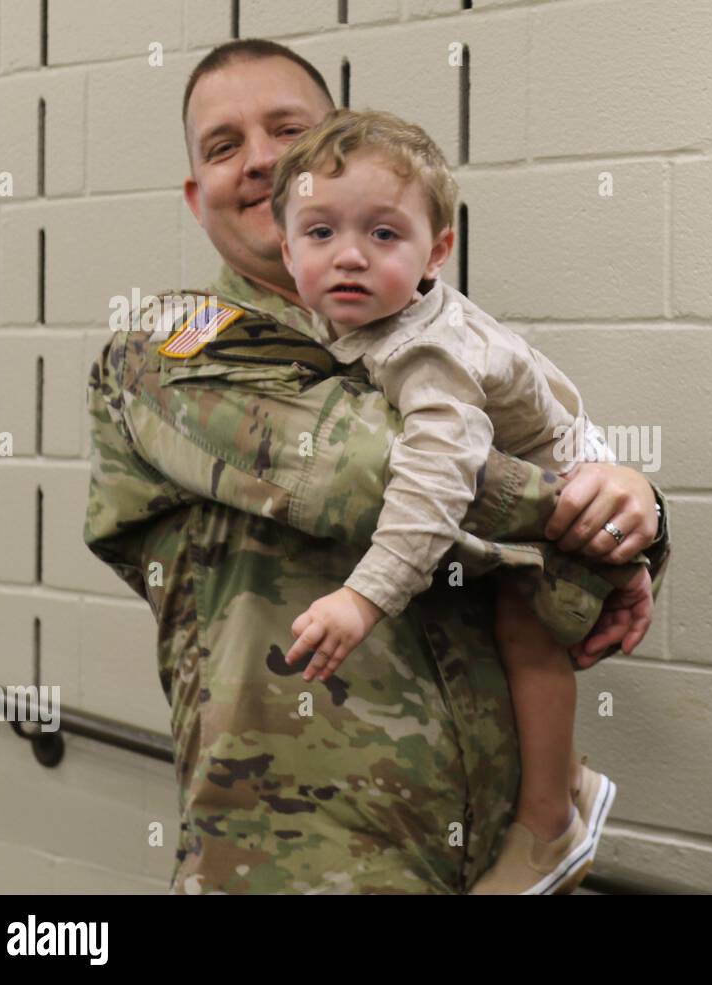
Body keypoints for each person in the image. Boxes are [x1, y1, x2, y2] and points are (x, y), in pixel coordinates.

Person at [84, 38, 669, 895]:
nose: (260, 160)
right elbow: (368, 471)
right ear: (194, 195)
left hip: (496, 851)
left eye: (290, 130)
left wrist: (636, 510)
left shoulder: (431, 332)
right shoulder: (169, 345)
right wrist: (580, 523)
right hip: (303, 855)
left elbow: (557, 454)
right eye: (222, 145)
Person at [270, 107, 643, 893]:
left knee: (521, 620)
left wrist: (363, 598)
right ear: (286, 245)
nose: (348, 257)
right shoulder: (337, 323)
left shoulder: (425, 350)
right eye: (320, 233)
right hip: (567, 472)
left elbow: (438, 481)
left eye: (382, 234)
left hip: (575, 499)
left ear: (437, 252)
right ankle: (561, 783)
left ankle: (550, 818)